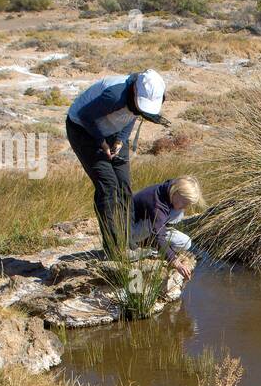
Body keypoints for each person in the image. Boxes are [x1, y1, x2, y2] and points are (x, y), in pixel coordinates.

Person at [65, 70, 171, 258]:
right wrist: (101, 143)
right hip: (84, 129)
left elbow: (132, 116)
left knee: (123, 186)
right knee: (108, 187)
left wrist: (120, 140)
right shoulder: (114, 95)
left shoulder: (139, 96)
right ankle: (115, 250)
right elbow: (85, 116)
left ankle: (129, 243)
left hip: (113, 131)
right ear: (134, 92)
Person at [130, 176, 204, 279]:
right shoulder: (157, 207)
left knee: (185, 242)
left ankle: (155, 242)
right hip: (132, 231)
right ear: (177, 193)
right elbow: (159, 235)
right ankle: (145, 246)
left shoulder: (171, 187)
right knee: (161, 229)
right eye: (185, 203)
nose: (186, 207)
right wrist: (175, 262)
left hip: (151, 226)